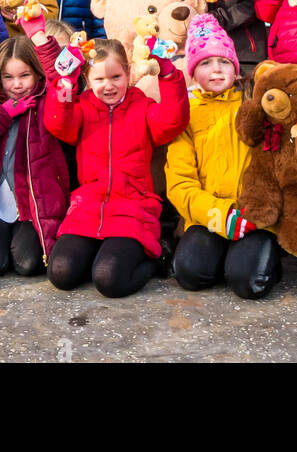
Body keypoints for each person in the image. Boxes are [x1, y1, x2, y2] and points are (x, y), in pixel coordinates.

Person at [44, 32, 190, 298]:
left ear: (128, 73)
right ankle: (101, 255)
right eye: (99, 79)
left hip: (133, 207)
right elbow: (58, 122)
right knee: (61, 273)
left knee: (108, 278)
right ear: (87, 79)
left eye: (115, 77)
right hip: (89, 206)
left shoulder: (142, 106)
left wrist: (168, 73)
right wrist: (65, 81)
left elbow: (173, 120)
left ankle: (158, 257)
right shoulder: (82, 107)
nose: (108, 86)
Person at [165, 14, 283, 299]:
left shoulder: (253, 103)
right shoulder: (186, 115)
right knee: (190, 273)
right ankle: (226, 256)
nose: (216, 70)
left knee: (247, 282)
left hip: (255, 214)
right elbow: (180, 184)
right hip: (210, 215)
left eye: (224, 62)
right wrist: (217, 214)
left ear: (235, 66)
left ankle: (259, 258)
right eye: (205, 63)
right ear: (192, 73)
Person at [0, 29, 69, 278]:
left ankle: (19, 243)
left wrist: (41, 38)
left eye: (24, 76)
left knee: (28, 264)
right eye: (8, 77)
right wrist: (3, 113)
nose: (17, 85)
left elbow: (63, 81)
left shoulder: (46, 100)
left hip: (31, 208)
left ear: (37, 73)